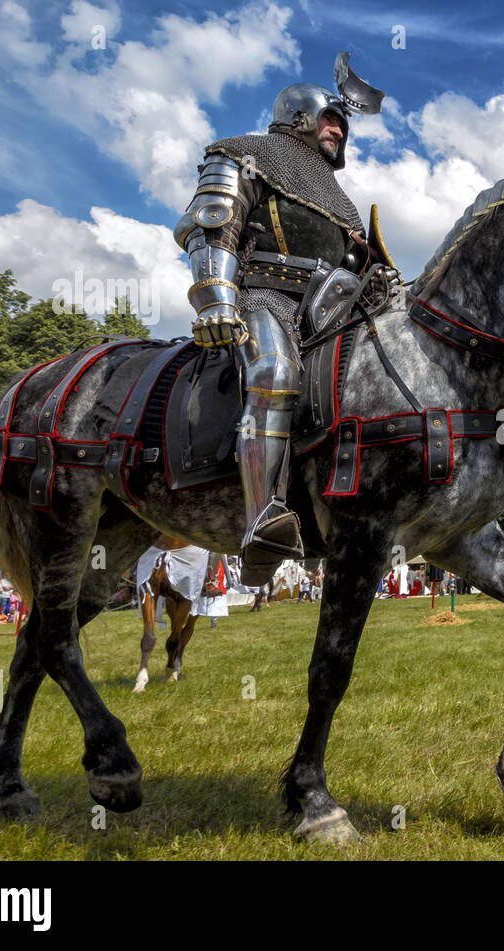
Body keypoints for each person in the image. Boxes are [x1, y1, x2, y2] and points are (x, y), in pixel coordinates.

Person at [177, 53, 385, 586]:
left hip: (327, 312)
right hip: (264, 299)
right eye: (331, 120)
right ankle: (261, 518)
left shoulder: (342, 201)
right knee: (274, 373)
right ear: (298, 117)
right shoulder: (245, 155)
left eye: (343, 125)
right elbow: (213, 226)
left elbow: (351, 269)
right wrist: (216, 299)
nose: (339, 131)